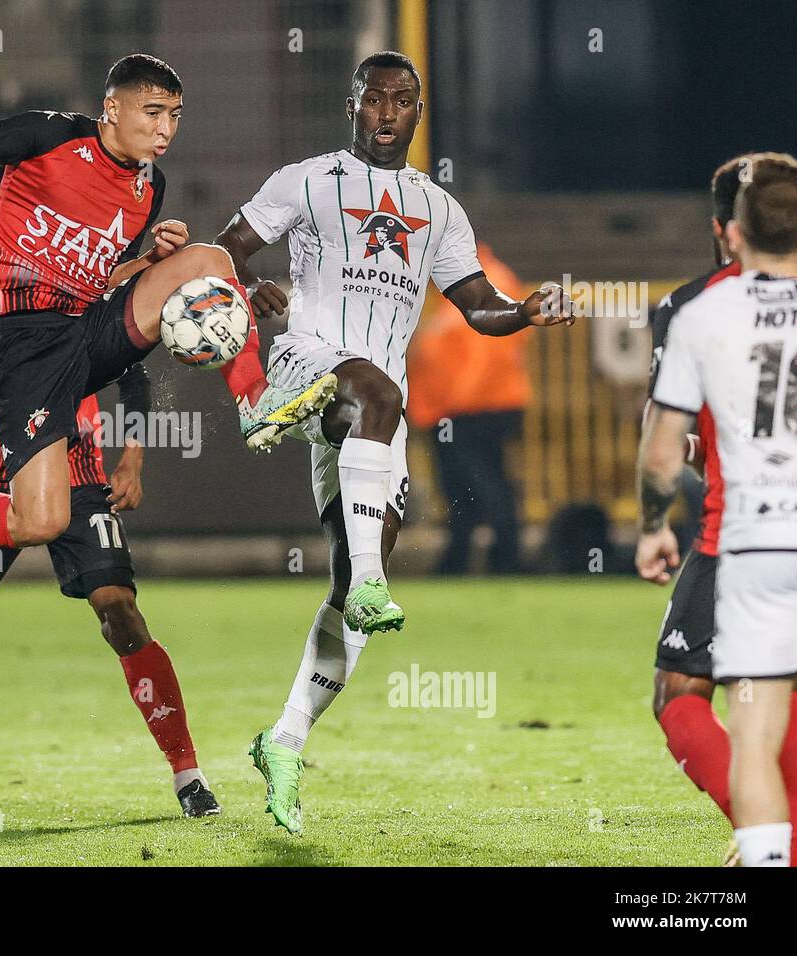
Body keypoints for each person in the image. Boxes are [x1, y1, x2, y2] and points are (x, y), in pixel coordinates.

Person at [214, 50, 575, 834]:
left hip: (373, 426)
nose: (386, 111)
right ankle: (277, 403)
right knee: (370, 392)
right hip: (313, 359)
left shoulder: (439, 209)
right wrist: (248, 291)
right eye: (374, 97)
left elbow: (478, 303)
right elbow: (222, 252)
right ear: (353, 104)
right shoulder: (304, 180)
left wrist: (527, 311)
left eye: (402, 101)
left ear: (418, 113)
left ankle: (284, 738)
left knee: (347, 588)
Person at [0, 53, 338, 600]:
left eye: (176, 116)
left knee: (207, 258)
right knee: (38, 521)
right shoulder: (50, 134)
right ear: (112, 108)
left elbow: (100, 277)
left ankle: (255, 399)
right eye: (153, 112)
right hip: (24, 342)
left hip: (86, 328)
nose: (165, 129)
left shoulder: (149, 187)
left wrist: (152, 262)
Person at [0, 164, 219, 819]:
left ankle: (188, 775)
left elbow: (135, 373)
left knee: (119, 611)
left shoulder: (78, 285)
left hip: (81, 475)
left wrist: (133, 460)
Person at [639, 152, 797, 866]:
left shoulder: (695, 312)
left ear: (727, 230)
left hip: (749, 542)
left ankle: (769, 847)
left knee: (709, 702)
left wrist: (649, 527)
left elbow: (662, 447)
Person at [408, 241, 531, 574]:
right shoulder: (452, 286)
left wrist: (454, 405)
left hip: (478, 407)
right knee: (460, 486)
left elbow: (488, 354)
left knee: (485, 483)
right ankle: (463, 557)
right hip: (455, 409)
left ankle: (506, 559)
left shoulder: (489, 281)